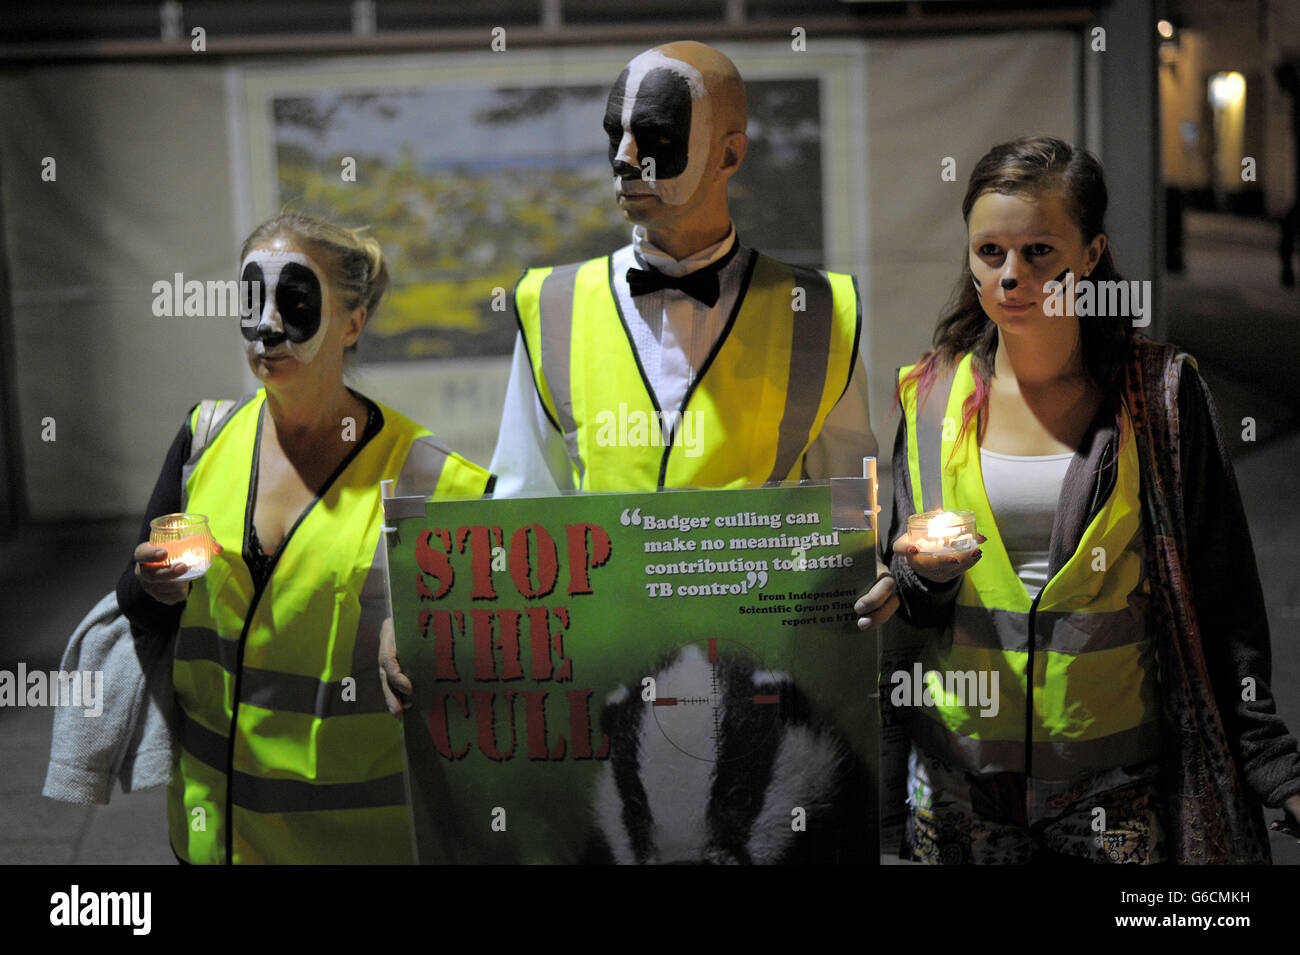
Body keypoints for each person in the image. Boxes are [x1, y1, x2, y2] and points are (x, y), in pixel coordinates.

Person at [886, 136, 1300, 864]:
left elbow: (1224, 595)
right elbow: (913, 597)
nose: (1012, 276)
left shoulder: (1162, 397)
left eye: (1039, 251)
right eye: (989, 252)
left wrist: (1273, 766)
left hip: (1112, 790)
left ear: (1091, 252)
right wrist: (920, 577)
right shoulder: (930, 394)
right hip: (959, 785)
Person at [122, 212, 494, 864]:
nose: (267, 324)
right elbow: (140, 600)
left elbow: (492, 672)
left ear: (353, 321)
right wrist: (154, 584)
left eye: (294, 300)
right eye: (250, 299)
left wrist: (431, 648)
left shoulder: (433, 482)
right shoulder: (205, 438)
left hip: (350, 847)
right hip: (212, 836)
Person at [488, 40, 897, 629]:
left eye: (654, 138)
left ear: (730, 156)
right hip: (604, 650)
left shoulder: (820, 310)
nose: (625, 159)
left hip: (766, 654)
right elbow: (522, 503)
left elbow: (847, 504)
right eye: (616, 135)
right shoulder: (549, 304)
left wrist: (869, 569)